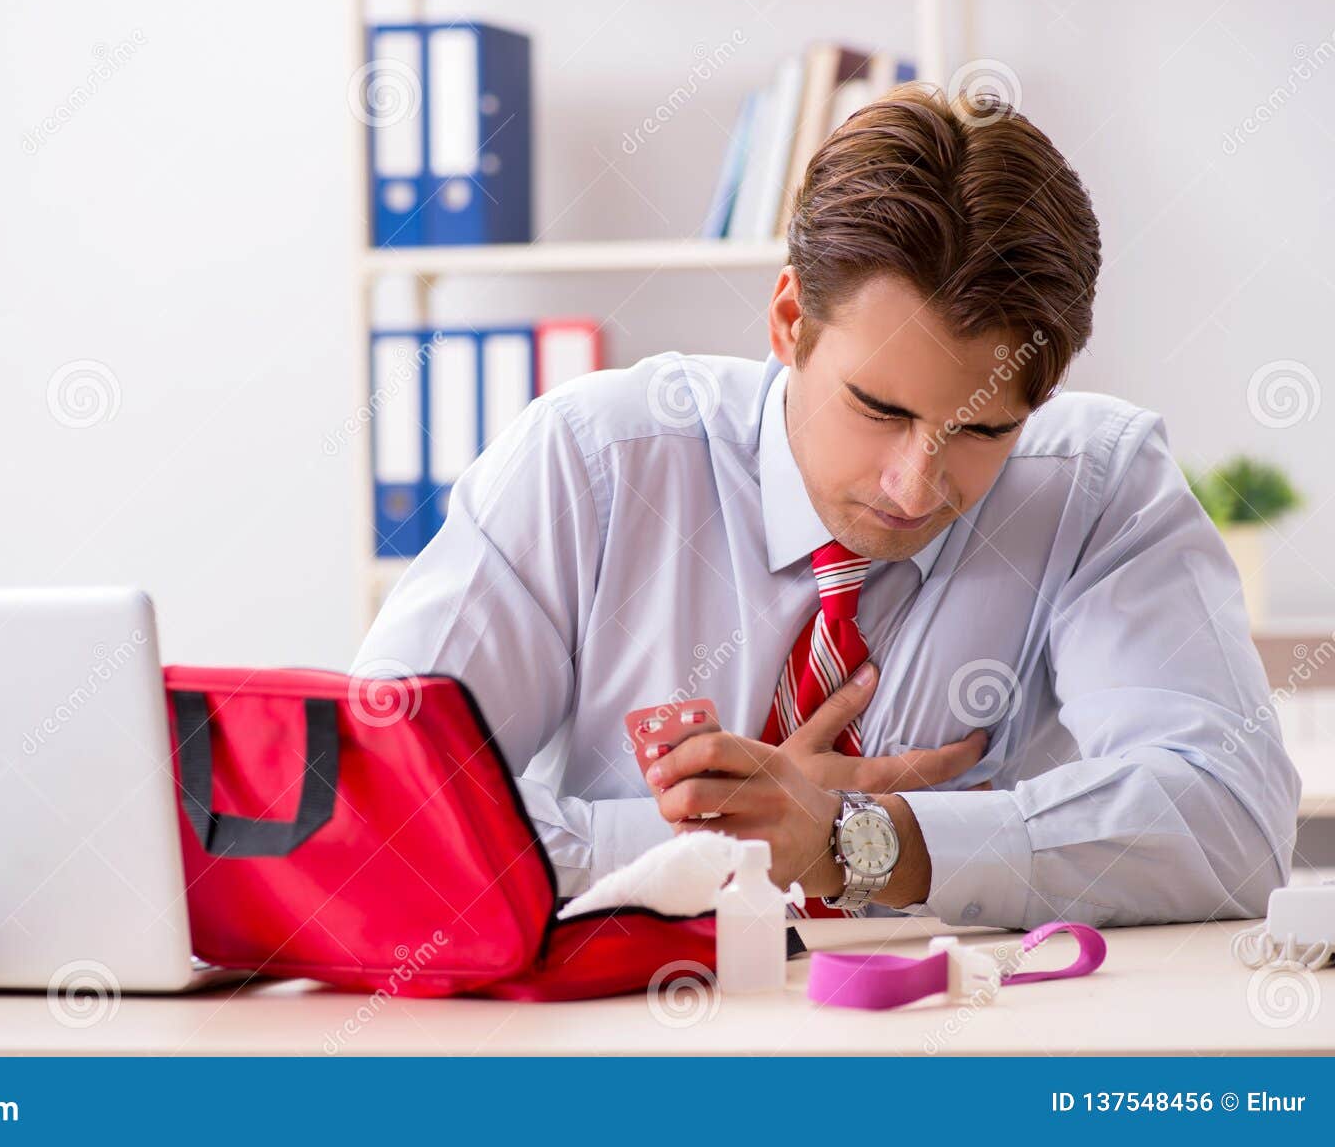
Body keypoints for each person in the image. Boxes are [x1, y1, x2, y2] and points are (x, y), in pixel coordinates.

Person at [352, 85, 1299, 929]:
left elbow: (1232, 821)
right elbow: (381, 812)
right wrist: (746, 836)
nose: (915, 485)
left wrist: (860, 840)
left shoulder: (1097, 487)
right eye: (879, 409)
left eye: (982, 431)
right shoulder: (590, 463)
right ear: (788, 321)